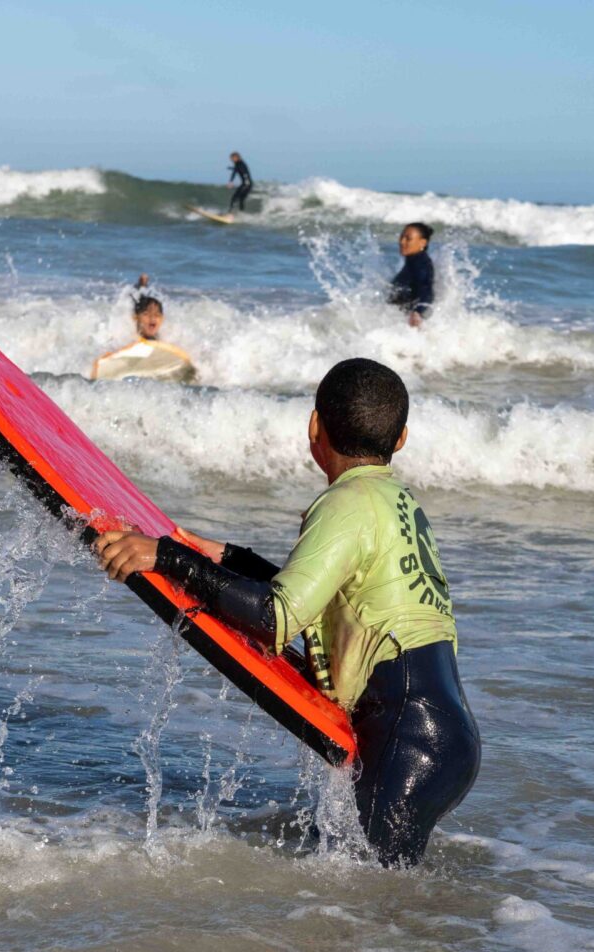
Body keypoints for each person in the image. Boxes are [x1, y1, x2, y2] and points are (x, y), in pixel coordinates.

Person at [94, 358, 480, 867]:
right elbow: (324, 596)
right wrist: (229, 559)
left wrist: (165, 557)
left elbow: (276, 618)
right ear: (401, 438)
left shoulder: (347, 501)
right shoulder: (396, 500)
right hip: (448, 738)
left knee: (373, 915)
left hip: (406, 738)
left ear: (313, 426)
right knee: (388, 906)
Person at [388, 223, 435, 327]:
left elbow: (426, 288)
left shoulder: (421, 264)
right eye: (401, 237)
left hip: (408, 324)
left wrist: (418, 312)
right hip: (398, 321)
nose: (402, 242)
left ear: (422, 243)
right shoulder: (413, 261)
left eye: (408, 239)